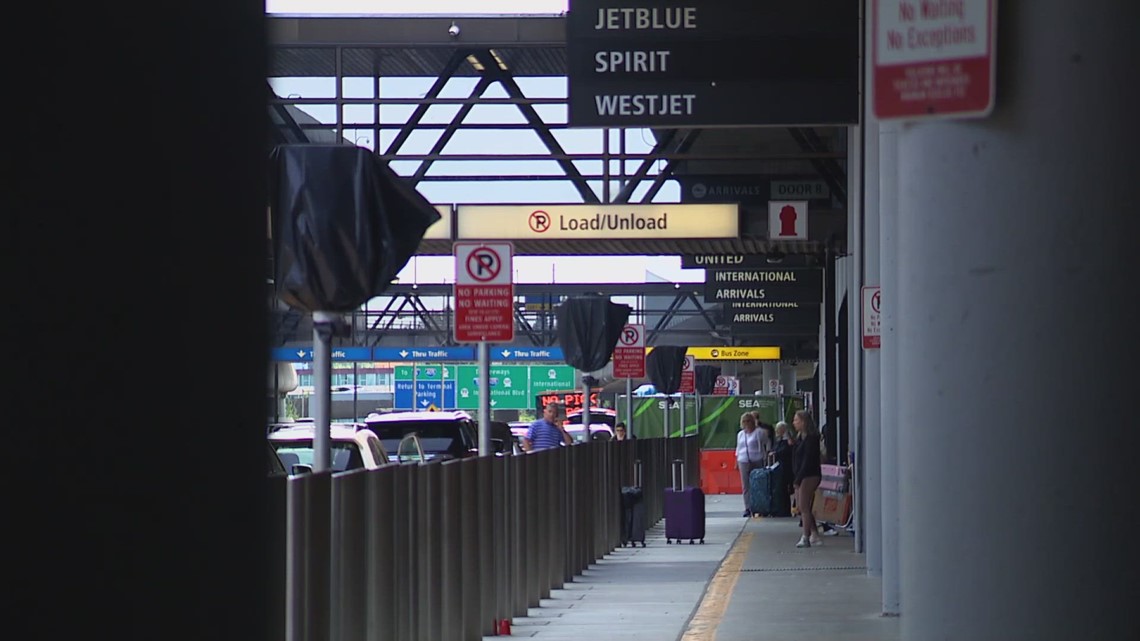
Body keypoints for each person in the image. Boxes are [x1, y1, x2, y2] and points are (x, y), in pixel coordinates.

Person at [792, 410, 823, 547]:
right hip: (802, 474)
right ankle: (814, 534)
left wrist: (798, 478)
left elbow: (807, 460)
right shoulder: (800, 438)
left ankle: (805, 536)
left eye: (796, 420)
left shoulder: (811, 439)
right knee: (802, 506)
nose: (794, 423)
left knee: (804, 506)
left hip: (809, 474)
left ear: (803, 422)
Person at [735, 412, 768, 517]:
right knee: (746, 485)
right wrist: (736, 461)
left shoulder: (759, 432)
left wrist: (766, 455)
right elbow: (738, 448)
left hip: (757, 459)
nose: (746, 423)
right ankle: (748, 508)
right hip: (743, 460)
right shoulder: (740, 434)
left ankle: (759, 506)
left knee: (758, 484)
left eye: (748, 421)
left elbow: (766, 443)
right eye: (744, 421)